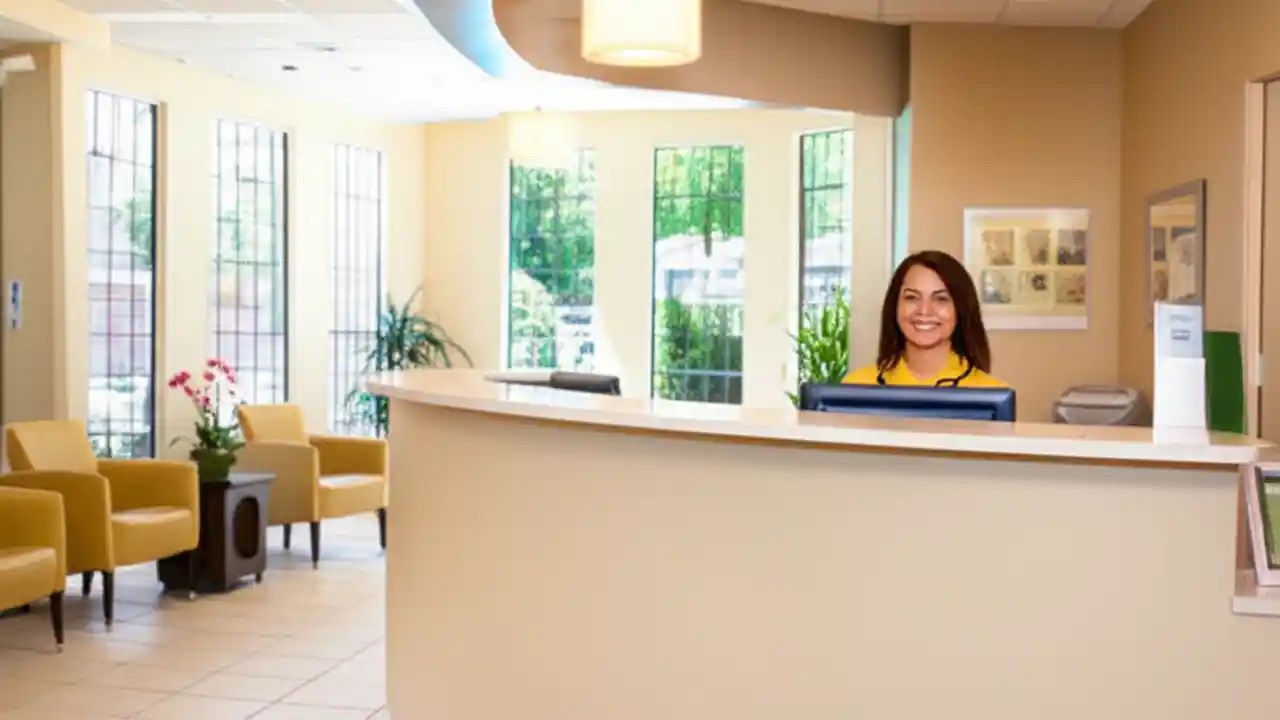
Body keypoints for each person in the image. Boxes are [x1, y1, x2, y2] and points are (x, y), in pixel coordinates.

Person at [842, 250, 1007, 388]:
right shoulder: (856, 385)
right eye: (912, 297)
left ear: (960, 309)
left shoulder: (990, 391)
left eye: (941, 298)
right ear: (894, 306)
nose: (924, 310)